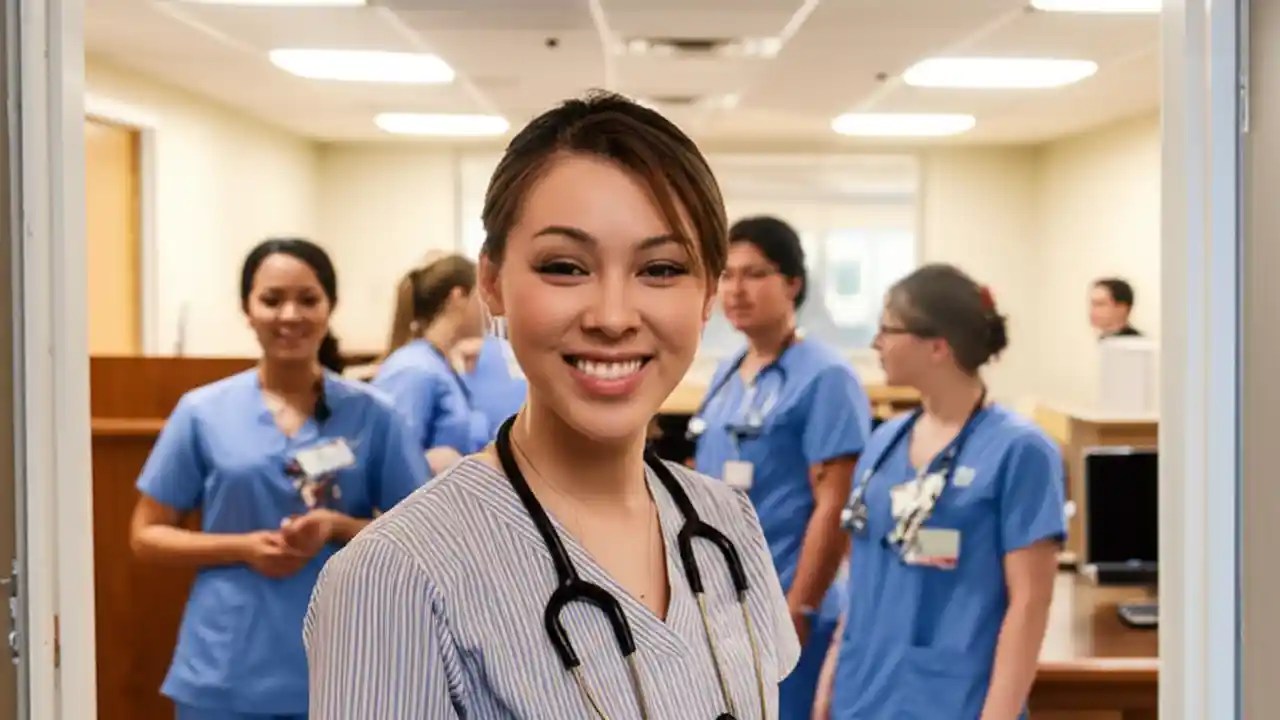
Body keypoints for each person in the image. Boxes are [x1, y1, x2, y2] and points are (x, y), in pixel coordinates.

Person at [304, 90, 801, 719]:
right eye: (565, 266)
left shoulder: (727, 525)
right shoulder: (395, 577)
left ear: (707, 295)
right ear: (492, 284)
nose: (614, 317)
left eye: (662, 269)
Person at [128, 238, 429, 720]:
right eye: (271, 299)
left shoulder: (374, 415)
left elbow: (423, 537)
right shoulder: (203, 413)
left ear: (330, 306)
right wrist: (244, 547)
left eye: (308, 299)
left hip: (344, 662)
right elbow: (146, 535)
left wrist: (336, 526)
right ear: (247, 309)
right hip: (224, 667)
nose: (290, 314)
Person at [813, 264, 1065, 720]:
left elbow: (1030, 602)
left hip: (953, 700)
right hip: (863, 692)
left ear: (937, 347)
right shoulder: (883, 443)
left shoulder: (1020, 452)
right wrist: (831, 676)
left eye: (888, 329)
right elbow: (866, 575)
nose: (877, 343)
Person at [691, 215, 871, 719]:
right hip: (723, 610)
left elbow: (835, 503)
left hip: (787, 608)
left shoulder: (826, 377)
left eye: (754, 274)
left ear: (793, 283)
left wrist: (800, 608)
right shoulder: (726, 374)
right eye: (726, 275)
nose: (736, 289)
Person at [372, 254, 489, 474]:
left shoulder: (442, 365)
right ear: (458, 297)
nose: (491, 307)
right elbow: (389, 464)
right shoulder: (414, 369)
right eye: (483, 295)